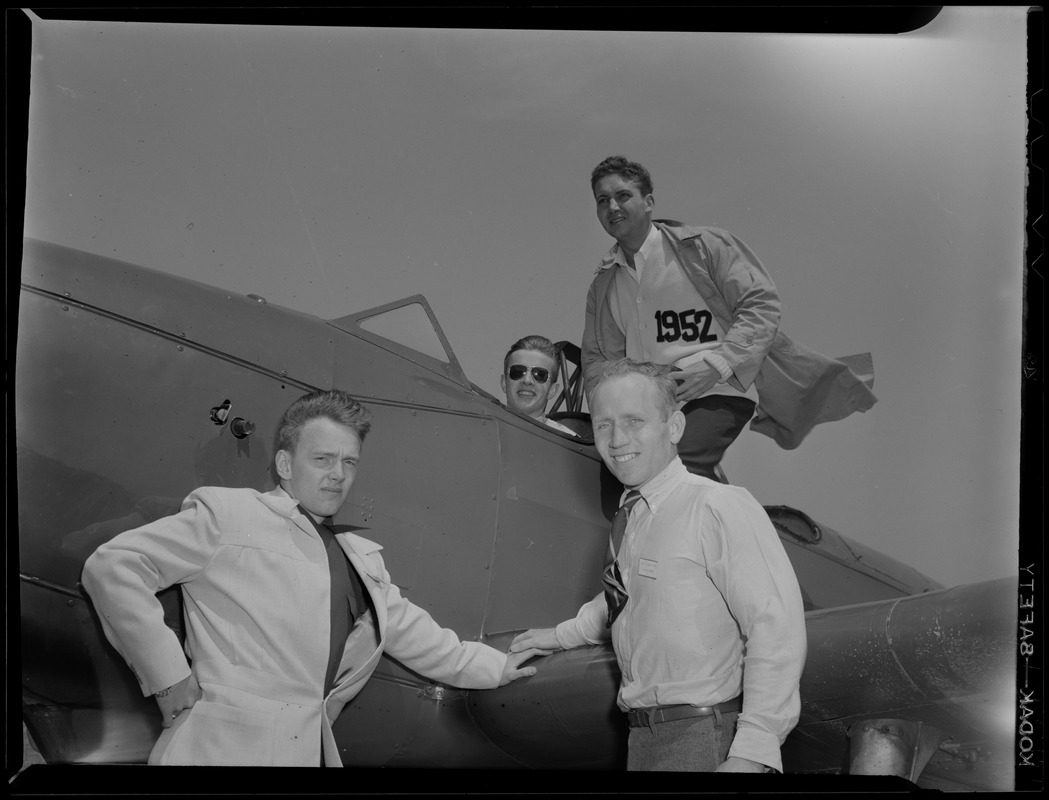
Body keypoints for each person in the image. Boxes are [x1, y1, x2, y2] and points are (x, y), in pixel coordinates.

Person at [81, 389, 546, 767]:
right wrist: (167, 679)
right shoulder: (229, 514)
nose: (338, 476)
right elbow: (114, 566)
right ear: (285, 464)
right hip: (217, 752)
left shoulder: (360, 558)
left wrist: (500, 668)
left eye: (350, 463)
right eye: (323, 459)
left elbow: (426, 641)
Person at [510, 360, 806, 773]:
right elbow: (623, 601)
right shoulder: (635, 516)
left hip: (704, 737)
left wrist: (752, 753)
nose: (617, 440)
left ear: (674, 427)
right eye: (604, 425)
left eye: (634, 421)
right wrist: (557, 637)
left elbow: (776, 626)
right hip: (646, 738)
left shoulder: (717, 505)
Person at [581, 154, 877, 480]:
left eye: (623, 196)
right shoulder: (604, 284)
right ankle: (715, 496)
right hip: (648, 406)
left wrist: (715, 366)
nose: (612, 207)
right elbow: (599, 361)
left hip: (716, 390)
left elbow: (760, 303)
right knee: (614, 483)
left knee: (676, 468)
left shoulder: (705, 246)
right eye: (602, 200)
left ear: (649, 202)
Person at [501, 335, 577, 436]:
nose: (527, 380)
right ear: (504, 382)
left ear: (552, 390)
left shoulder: (569, 442)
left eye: (540, 375)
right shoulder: (479, 427)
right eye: (517, 371)